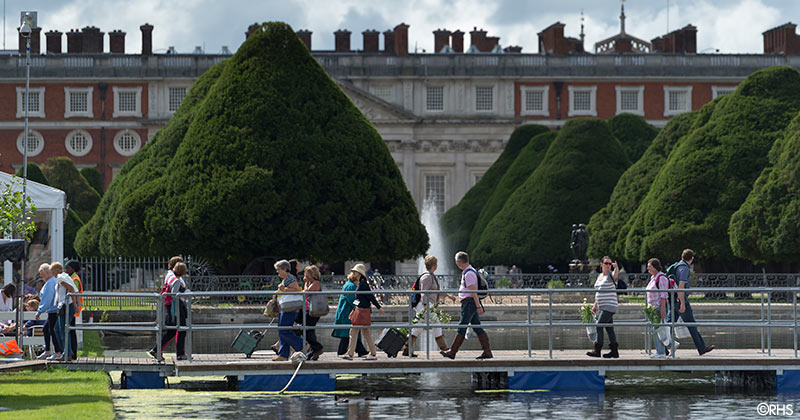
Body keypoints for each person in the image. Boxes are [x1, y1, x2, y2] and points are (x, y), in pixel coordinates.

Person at [441, 251, 493, 360]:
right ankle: (487, 351)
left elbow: (473, 291)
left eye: (456, 262)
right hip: (469, 302)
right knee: (477, 327)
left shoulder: (469, 273)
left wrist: (478, 306)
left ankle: (453, 352)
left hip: (469, 303)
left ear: (459, 262)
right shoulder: (469, 271)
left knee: (462, 326)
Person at [404, 256, 456, 356]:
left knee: (418, 327)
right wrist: (425, 305)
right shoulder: (427, 277)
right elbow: (424, 292)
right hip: (425, 305)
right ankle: (444, 348)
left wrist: (448, 296)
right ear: (434, 265)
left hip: (426, 305)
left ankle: (407, 349)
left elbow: (435, 291)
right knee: (436, 324)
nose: (437, 265)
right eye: (436, 264)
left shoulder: (430, 275)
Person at [671, 249, 714, 356]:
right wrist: (682, 303)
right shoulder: (684, 269)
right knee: (691, 324)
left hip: (674, 299)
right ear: (692, 258)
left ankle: (664, 346)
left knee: (668, 323)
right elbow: (681, 286)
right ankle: (701, 348)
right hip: (680, 299)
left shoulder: (677, 266)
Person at [342, 263, 384, 360]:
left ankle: (351, 354)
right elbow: (359, 299)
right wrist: (353, 310)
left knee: (354, 331)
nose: (353, 273)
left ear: (359, 273)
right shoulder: (362, 283)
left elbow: (370, 297)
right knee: (364, 333)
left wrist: (379, 307)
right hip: (361, 310)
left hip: (362, 311)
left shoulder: (363, 284)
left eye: (355, 272)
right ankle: (371, 353)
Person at [150, 256, 184, 359]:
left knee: (173, 330)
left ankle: (157, 349)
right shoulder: (174, 278)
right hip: (176, 306)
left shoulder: (170, 275)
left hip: (171, 305)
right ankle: (179, 353)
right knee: (180, 329)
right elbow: (174, 293)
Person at [587, 256, 620, 358]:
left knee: (599, 325)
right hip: (602, 306)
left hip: (610, 306)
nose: (608, 266)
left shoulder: (610, 275)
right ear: (601, 264)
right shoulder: (599, 276)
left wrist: (616, 267)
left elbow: (615, 276)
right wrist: (595, 305)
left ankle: (597, 350)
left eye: (610, 264)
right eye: (606, 263)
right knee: (609, 328)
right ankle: (614, 351)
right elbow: (598, 292)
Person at [332, 268, 368, 357]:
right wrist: (362, 304)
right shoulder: (351, 286)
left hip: (348, 313)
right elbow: (353, 300)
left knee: (350, 333)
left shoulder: (350, 285)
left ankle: (360, 350)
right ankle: (343, 351)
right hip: (347, 313)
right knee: (347, 333)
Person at [646, 258, 677, 358]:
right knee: (657, 330)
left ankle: (662, 352)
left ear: (655, 267)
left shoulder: (661, 278)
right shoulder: (653, 277)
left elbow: (664, 295)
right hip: (652, 308)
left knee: (658, 329)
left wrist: (663, 309)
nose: (648, 269)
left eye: (650, 266)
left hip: (659, 307)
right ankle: (670, 346)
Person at [273, 259, 303, 362]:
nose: (277, 272)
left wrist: (284, 289)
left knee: (283, 331)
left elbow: (297, 290)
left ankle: (302, 345)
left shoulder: (290, 278)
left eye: (279, 270)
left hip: (289, 308)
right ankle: (283, 354)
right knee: (282, 331)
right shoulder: (286, 278)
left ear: (285, 269)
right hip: (285, 308)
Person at [50, 262, 78, 361]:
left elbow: (71, 289)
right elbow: (74, 289)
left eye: (52, 271)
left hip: (65, 306)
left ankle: (67, 354)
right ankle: (66, 351)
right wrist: (75, 304)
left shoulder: (60, 278)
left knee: (63, 331)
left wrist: (74, 304)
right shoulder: (65, 276)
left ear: (56, 270)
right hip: (66, 306)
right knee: (57, 329)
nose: (52, 274)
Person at [34, 263, 60, 360]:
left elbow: (47, 299)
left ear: (46, 272)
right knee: (47, 329)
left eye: (41, 273)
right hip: (53, 310)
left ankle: (57, 351)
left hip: (53, 311)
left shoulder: (50, 283)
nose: (41, 276)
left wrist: (40, 311)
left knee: (52, 330)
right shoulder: (52, 281)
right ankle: (48, 350)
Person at [300, 265, 325, 360]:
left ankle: (318, 347)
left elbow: (306, 293)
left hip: (315, 310)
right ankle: (313, 351)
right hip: (309, 309)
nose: (305, 275)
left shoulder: (316, 283)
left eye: (307, 273)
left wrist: (306, 283)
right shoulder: (309, 282)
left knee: (305, 328)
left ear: (312, 274)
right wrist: (306, 282)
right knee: (309, 330)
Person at [169, 262, 189, 360]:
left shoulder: (174, 279)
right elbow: (174, 295)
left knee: (181, 330)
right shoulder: (177, 281)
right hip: (179, 307)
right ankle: (180, 354)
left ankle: (181, 353)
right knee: (182, 330)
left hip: (178, 307)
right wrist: (183, 295)